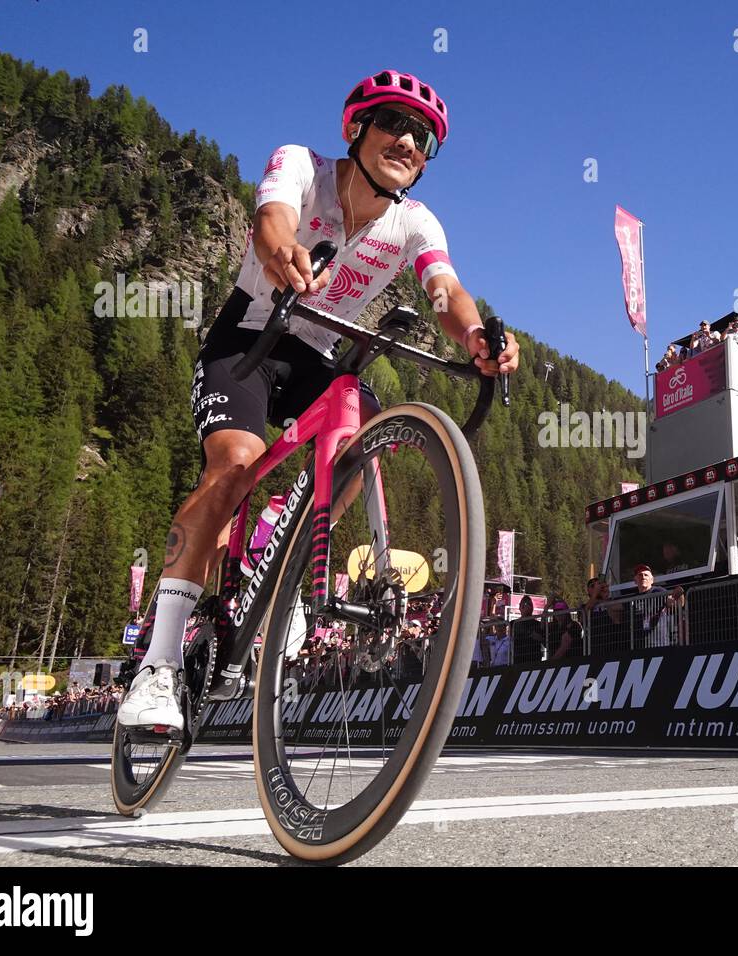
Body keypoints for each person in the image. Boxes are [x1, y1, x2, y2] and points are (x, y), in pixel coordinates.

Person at [119, 69, 522, 732]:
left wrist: (477, 335)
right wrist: (289, 257)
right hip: (249, 333)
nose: (409, 142)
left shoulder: (416, 222)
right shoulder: (301, 165)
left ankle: (292, 564)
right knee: (234, 467)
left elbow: (444, 290)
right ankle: (158, 664)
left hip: (317, 353)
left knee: (360, 416)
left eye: (424, 137)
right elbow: (271, 225)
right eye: (395, 124)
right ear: (357, 127)